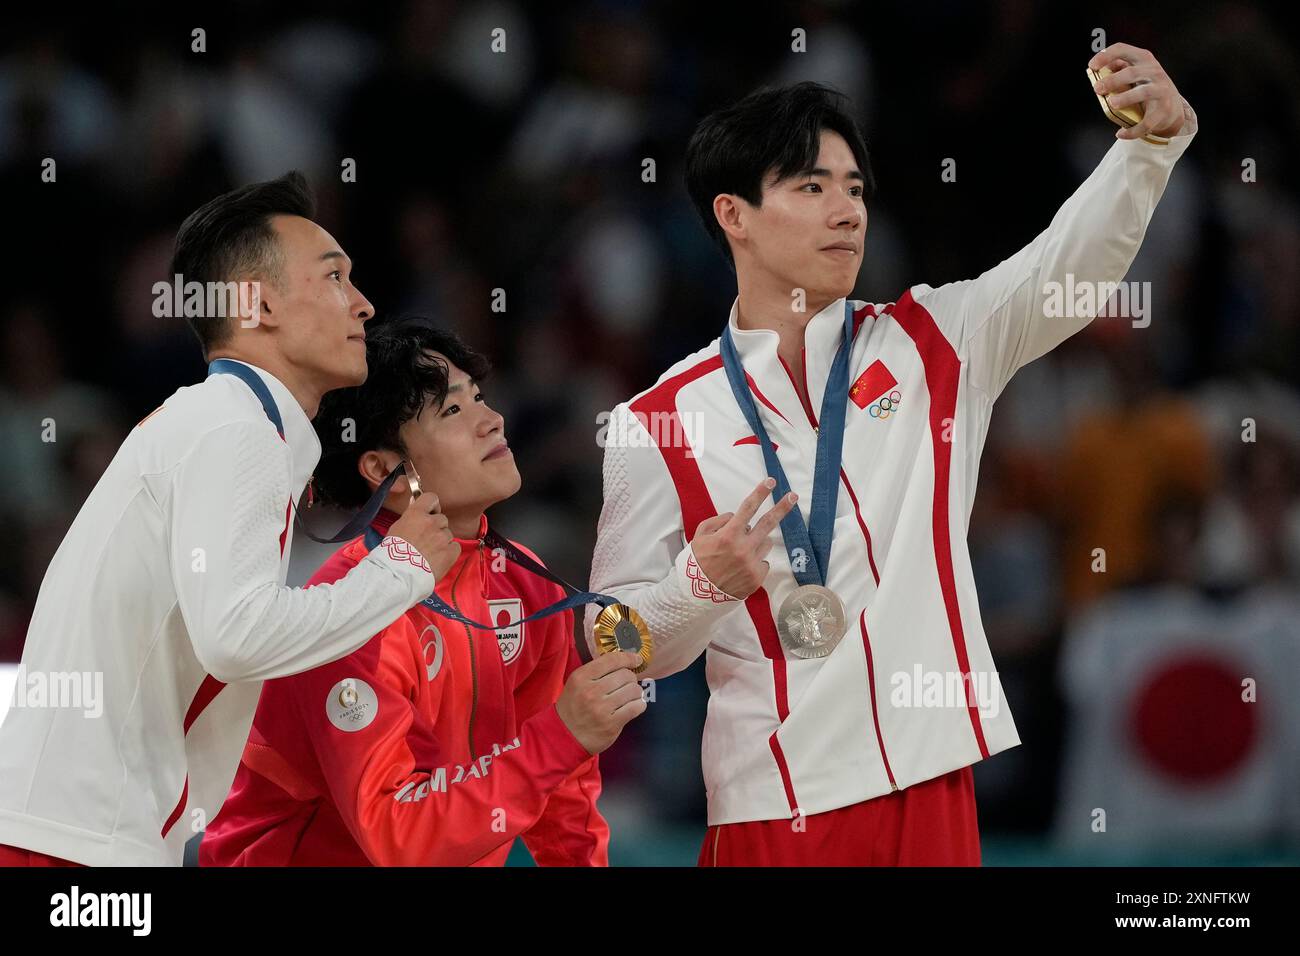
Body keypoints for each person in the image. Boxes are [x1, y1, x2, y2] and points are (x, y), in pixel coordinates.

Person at [586, 44, 1198, 865]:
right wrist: (696, 588)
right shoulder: (655, 420)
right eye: (812, 187)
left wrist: (1147, 153)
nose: (848, 212)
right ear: (733, 215)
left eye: (855, 189)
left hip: (931, 785)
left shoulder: (935, 341)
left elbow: (1068, 273)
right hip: (775, 807)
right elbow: (611, 636)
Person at [0, 172, 460, 866]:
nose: (364, 306)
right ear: (258, 303)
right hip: (79, 847)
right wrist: (403, 567)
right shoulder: (234, 430)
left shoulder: (224, 422)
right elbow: (237, 637)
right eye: (335, 278)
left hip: (81, 833)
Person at [200, 317, 642, 866]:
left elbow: (562, 796)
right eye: (453, 411)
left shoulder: (524, 582)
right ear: (385, 470)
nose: (492, 420)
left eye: (478, 397)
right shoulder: (350, 608)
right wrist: (563, 734)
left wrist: (563, 744)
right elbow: (396, 835)